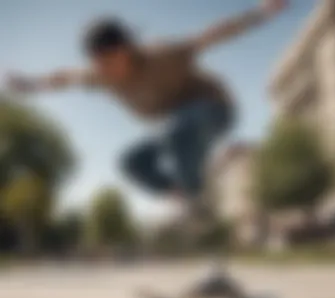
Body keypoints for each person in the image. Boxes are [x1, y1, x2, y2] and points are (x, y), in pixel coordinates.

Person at [6, 0, 288, 227]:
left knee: (180, 128)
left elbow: (210, 36)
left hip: (215, 111)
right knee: (131, 161)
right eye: (99, 64)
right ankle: (181, 195)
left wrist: (260, 12)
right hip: (174, 127)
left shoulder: (162, 55)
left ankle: (196, 198)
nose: (107, 70)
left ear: (126, 49)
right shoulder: (100, 76)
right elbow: (64, 77)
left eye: (110, 61)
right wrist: (31, 85)